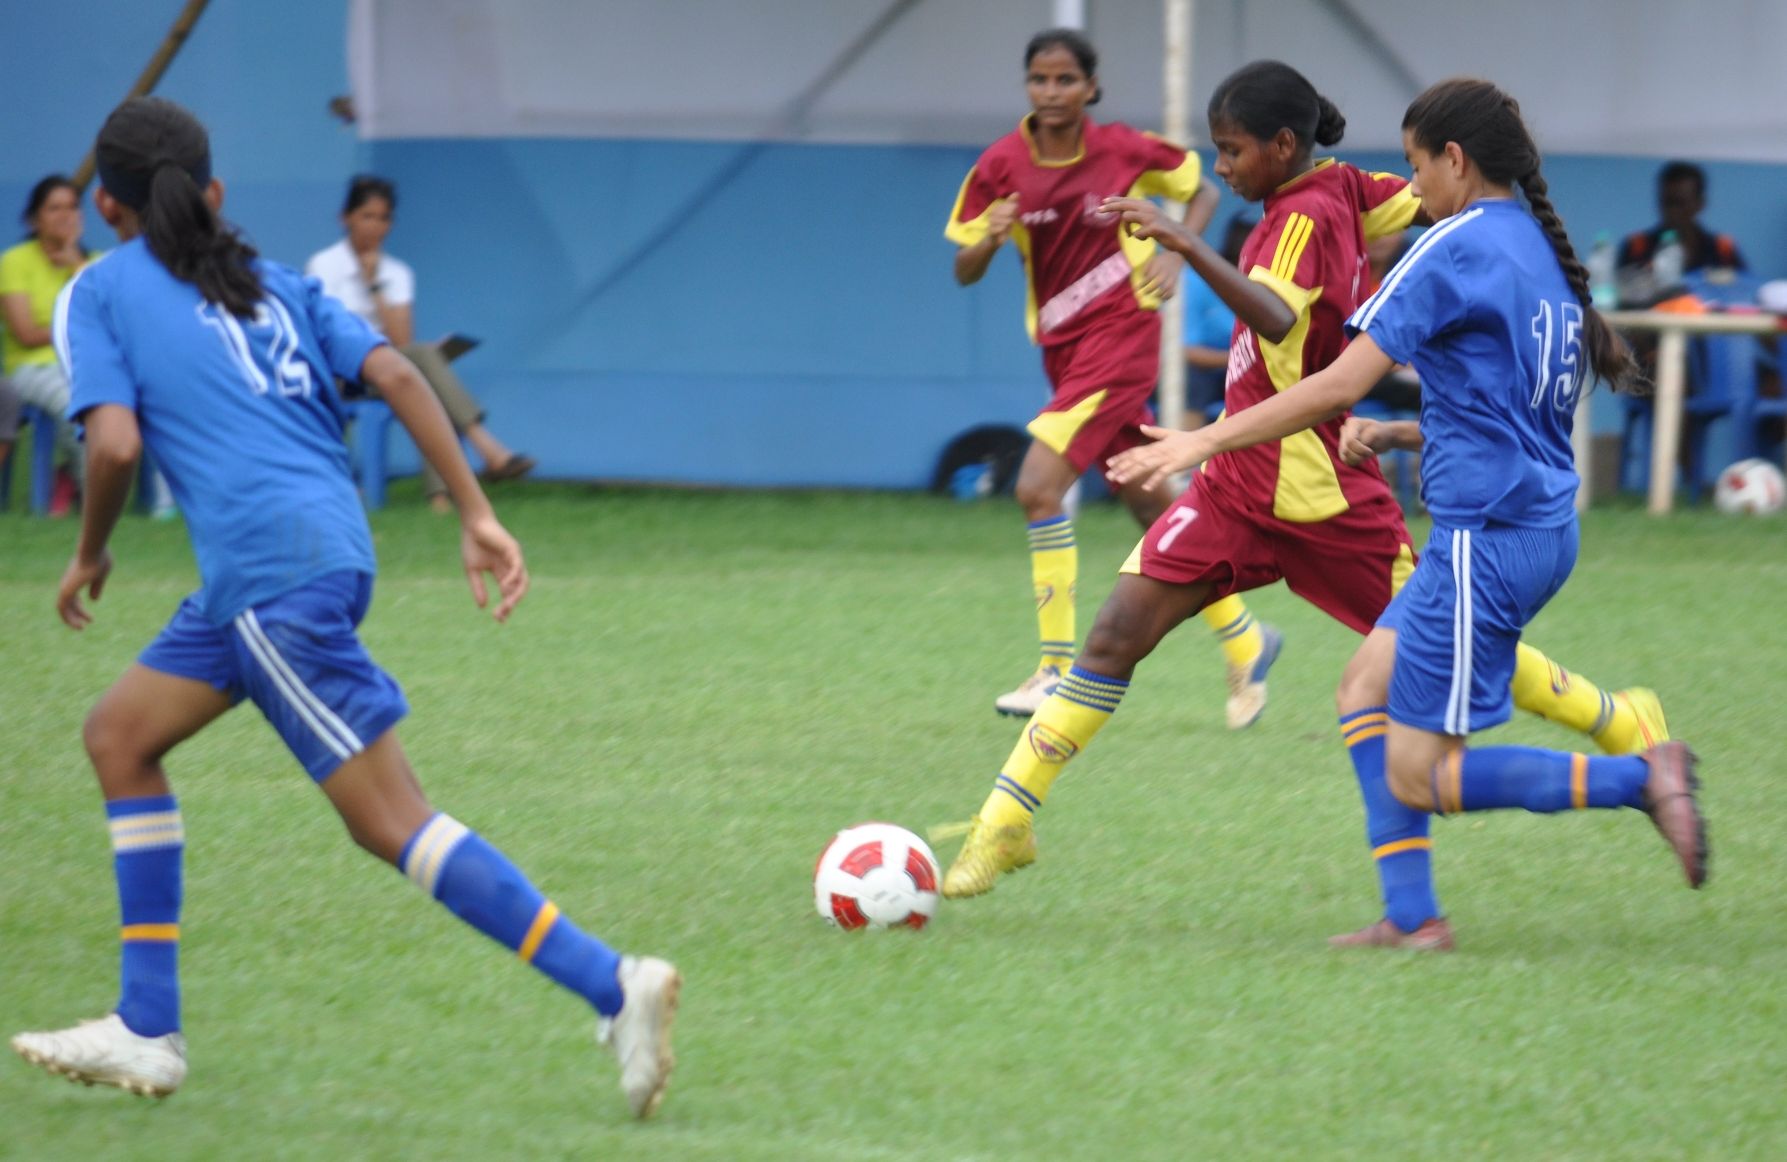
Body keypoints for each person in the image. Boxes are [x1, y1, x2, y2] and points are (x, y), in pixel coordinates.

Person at [10, 97, 678, 1119]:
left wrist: (90, 548)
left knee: (388, 820)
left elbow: (112, 444)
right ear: (214, 191)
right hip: (309, 560)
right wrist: (476, 513)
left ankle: (613, 983)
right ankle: (145, 1022)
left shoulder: (96, 291)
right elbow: (400, 372)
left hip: (269, 578)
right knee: (119, 736)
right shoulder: (273, 281)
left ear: (105, 205)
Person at [939, 62, 1671, 951]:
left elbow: (1281, 320)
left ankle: (1617, 722)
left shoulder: (1304, 215)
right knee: (1115, 633)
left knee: (1451, 646)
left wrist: (1186, 245)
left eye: (1232, 150)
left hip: (1326, 501)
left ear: (1282, 145)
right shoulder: (1349, 187)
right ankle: (1004, 822)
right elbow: (1422, 199)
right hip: (1236, 486)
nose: (1220, 167)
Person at [946, 28, 1288, 731]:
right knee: (1147, 501)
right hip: (1063, 352)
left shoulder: (1125, 149)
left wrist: (1176, 251)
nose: (1052, 92)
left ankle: (1053, 668)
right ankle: (1246, 639)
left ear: (1091, 88)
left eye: (1065, 79)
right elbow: (964, 269)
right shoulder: (1000, 165)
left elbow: (1200, 188)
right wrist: (989, 237)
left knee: (1037, 487)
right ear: (1027, 86)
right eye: (1040, 79)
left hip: (1122, 336)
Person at [306, 175, 534, 512]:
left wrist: (374, 286)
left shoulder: (396, 273)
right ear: (346, 218)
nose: (376, 226)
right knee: (425, 361)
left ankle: (441, 498)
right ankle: (485, 450)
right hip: (339, 375)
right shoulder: (324, 266)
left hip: (383, 372)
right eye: (367, 216)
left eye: (384, 218)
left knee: (422, 371)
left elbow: (401, 341)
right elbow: (324, 336)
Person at [1, 176, 90, 515]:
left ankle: (72, 479)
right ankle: (92, 497)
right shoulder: (15, 261)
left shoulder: (93, 265)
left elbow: (111, 323)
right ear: (33, 219)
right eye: (54, 208)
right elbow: (25, 333)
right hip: (33, 367)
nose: (66, 215)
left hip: (86, 364)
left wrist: (74, 264)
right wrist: (80, 330)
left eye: (72, 207)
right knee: (77, 403)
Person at [1179, 213, 1255, 430]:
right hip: (1208, 371)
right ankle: (1187, 446)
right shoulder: (1197, 281)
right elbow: (1185, 351)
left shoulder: (1269, 282)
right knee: (1193, 377)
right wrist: (1237, 358)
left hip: (1249, 367)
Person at [1616, 160, 1746, 287]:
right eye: (1667, 202)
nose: (1672, 211)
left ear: (1700, 203)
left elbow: (1746, 291)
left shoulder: (1722, 249)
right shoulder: (1637, 247)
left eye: (1680, 203)